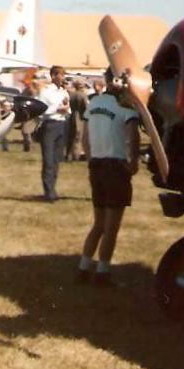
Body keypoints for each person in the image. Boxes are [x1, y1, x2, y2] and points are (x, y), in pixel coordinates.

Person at [77, 68, 140, 286]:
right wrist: (133, 163)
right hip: (115, 167)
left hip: (96, 165)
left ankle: (84, 267)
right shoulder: (126, 106)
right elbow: (134, 136)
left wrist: (90, 160)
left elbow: (84, 137)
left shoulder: (93, 104)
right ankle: (103, 272)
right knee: (111, 227)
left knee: (98, 224)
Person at [36, 65, 70, 201]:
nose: (60, 77)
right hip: (49, 125)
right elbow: (39, 110)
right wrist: (57, 109)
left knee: (56, 160)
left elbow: (68, 110)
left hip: (61, 125)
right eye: (57, 74)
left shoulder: (64, 92)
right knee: (48, 160)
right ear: (53, 76)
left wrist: (66, 109)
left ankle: (53, 189)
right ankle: (48, 192)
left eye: (62, 74)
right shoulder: (45, 92)